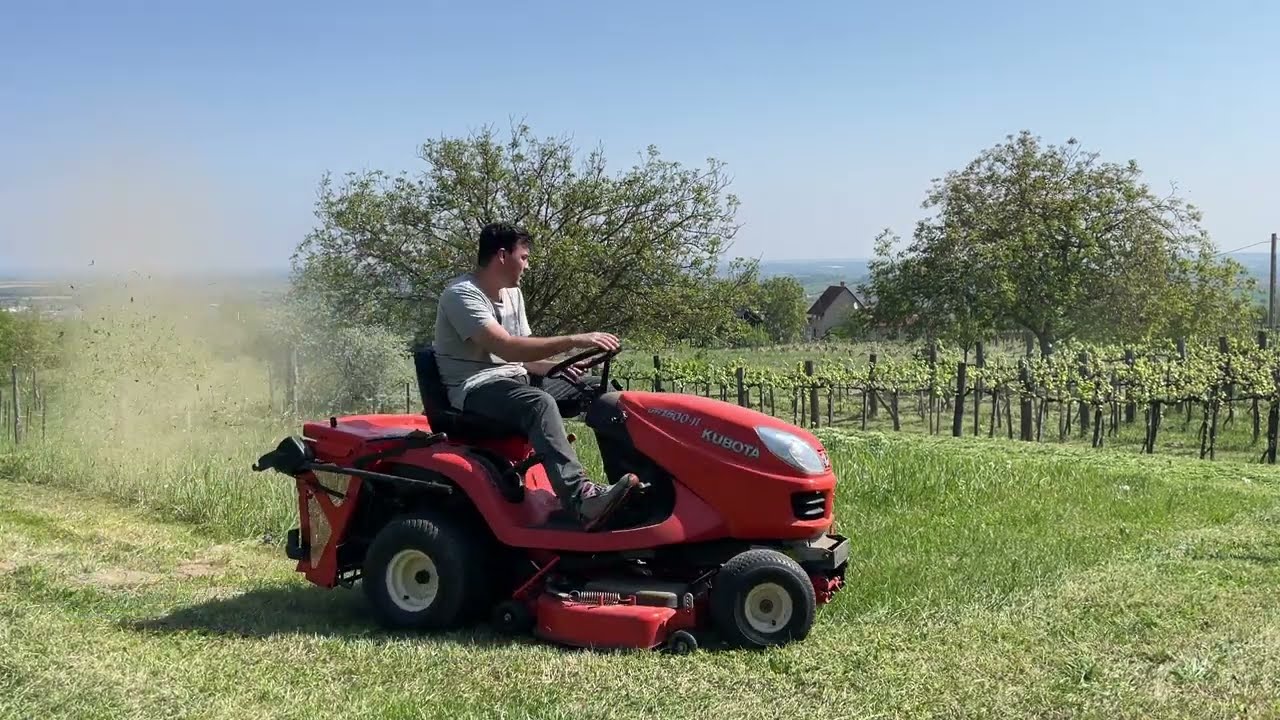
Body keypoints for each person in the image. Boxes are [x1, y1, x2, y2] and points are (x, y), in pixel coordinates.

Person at [432, 221, 637, 526]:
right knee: (538, 404)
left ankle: (627, 486)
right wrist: (576, 339)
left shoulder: (513, 294)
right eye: (524, 257)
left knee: (601, 392)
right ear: (502, 255)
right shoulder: (461, 295)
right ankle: (581, 499)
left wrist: (561, 366)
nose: (527, 266)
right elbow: (509, 349)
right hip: (476, 388)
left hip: (515, 377)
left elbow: (523, 356)